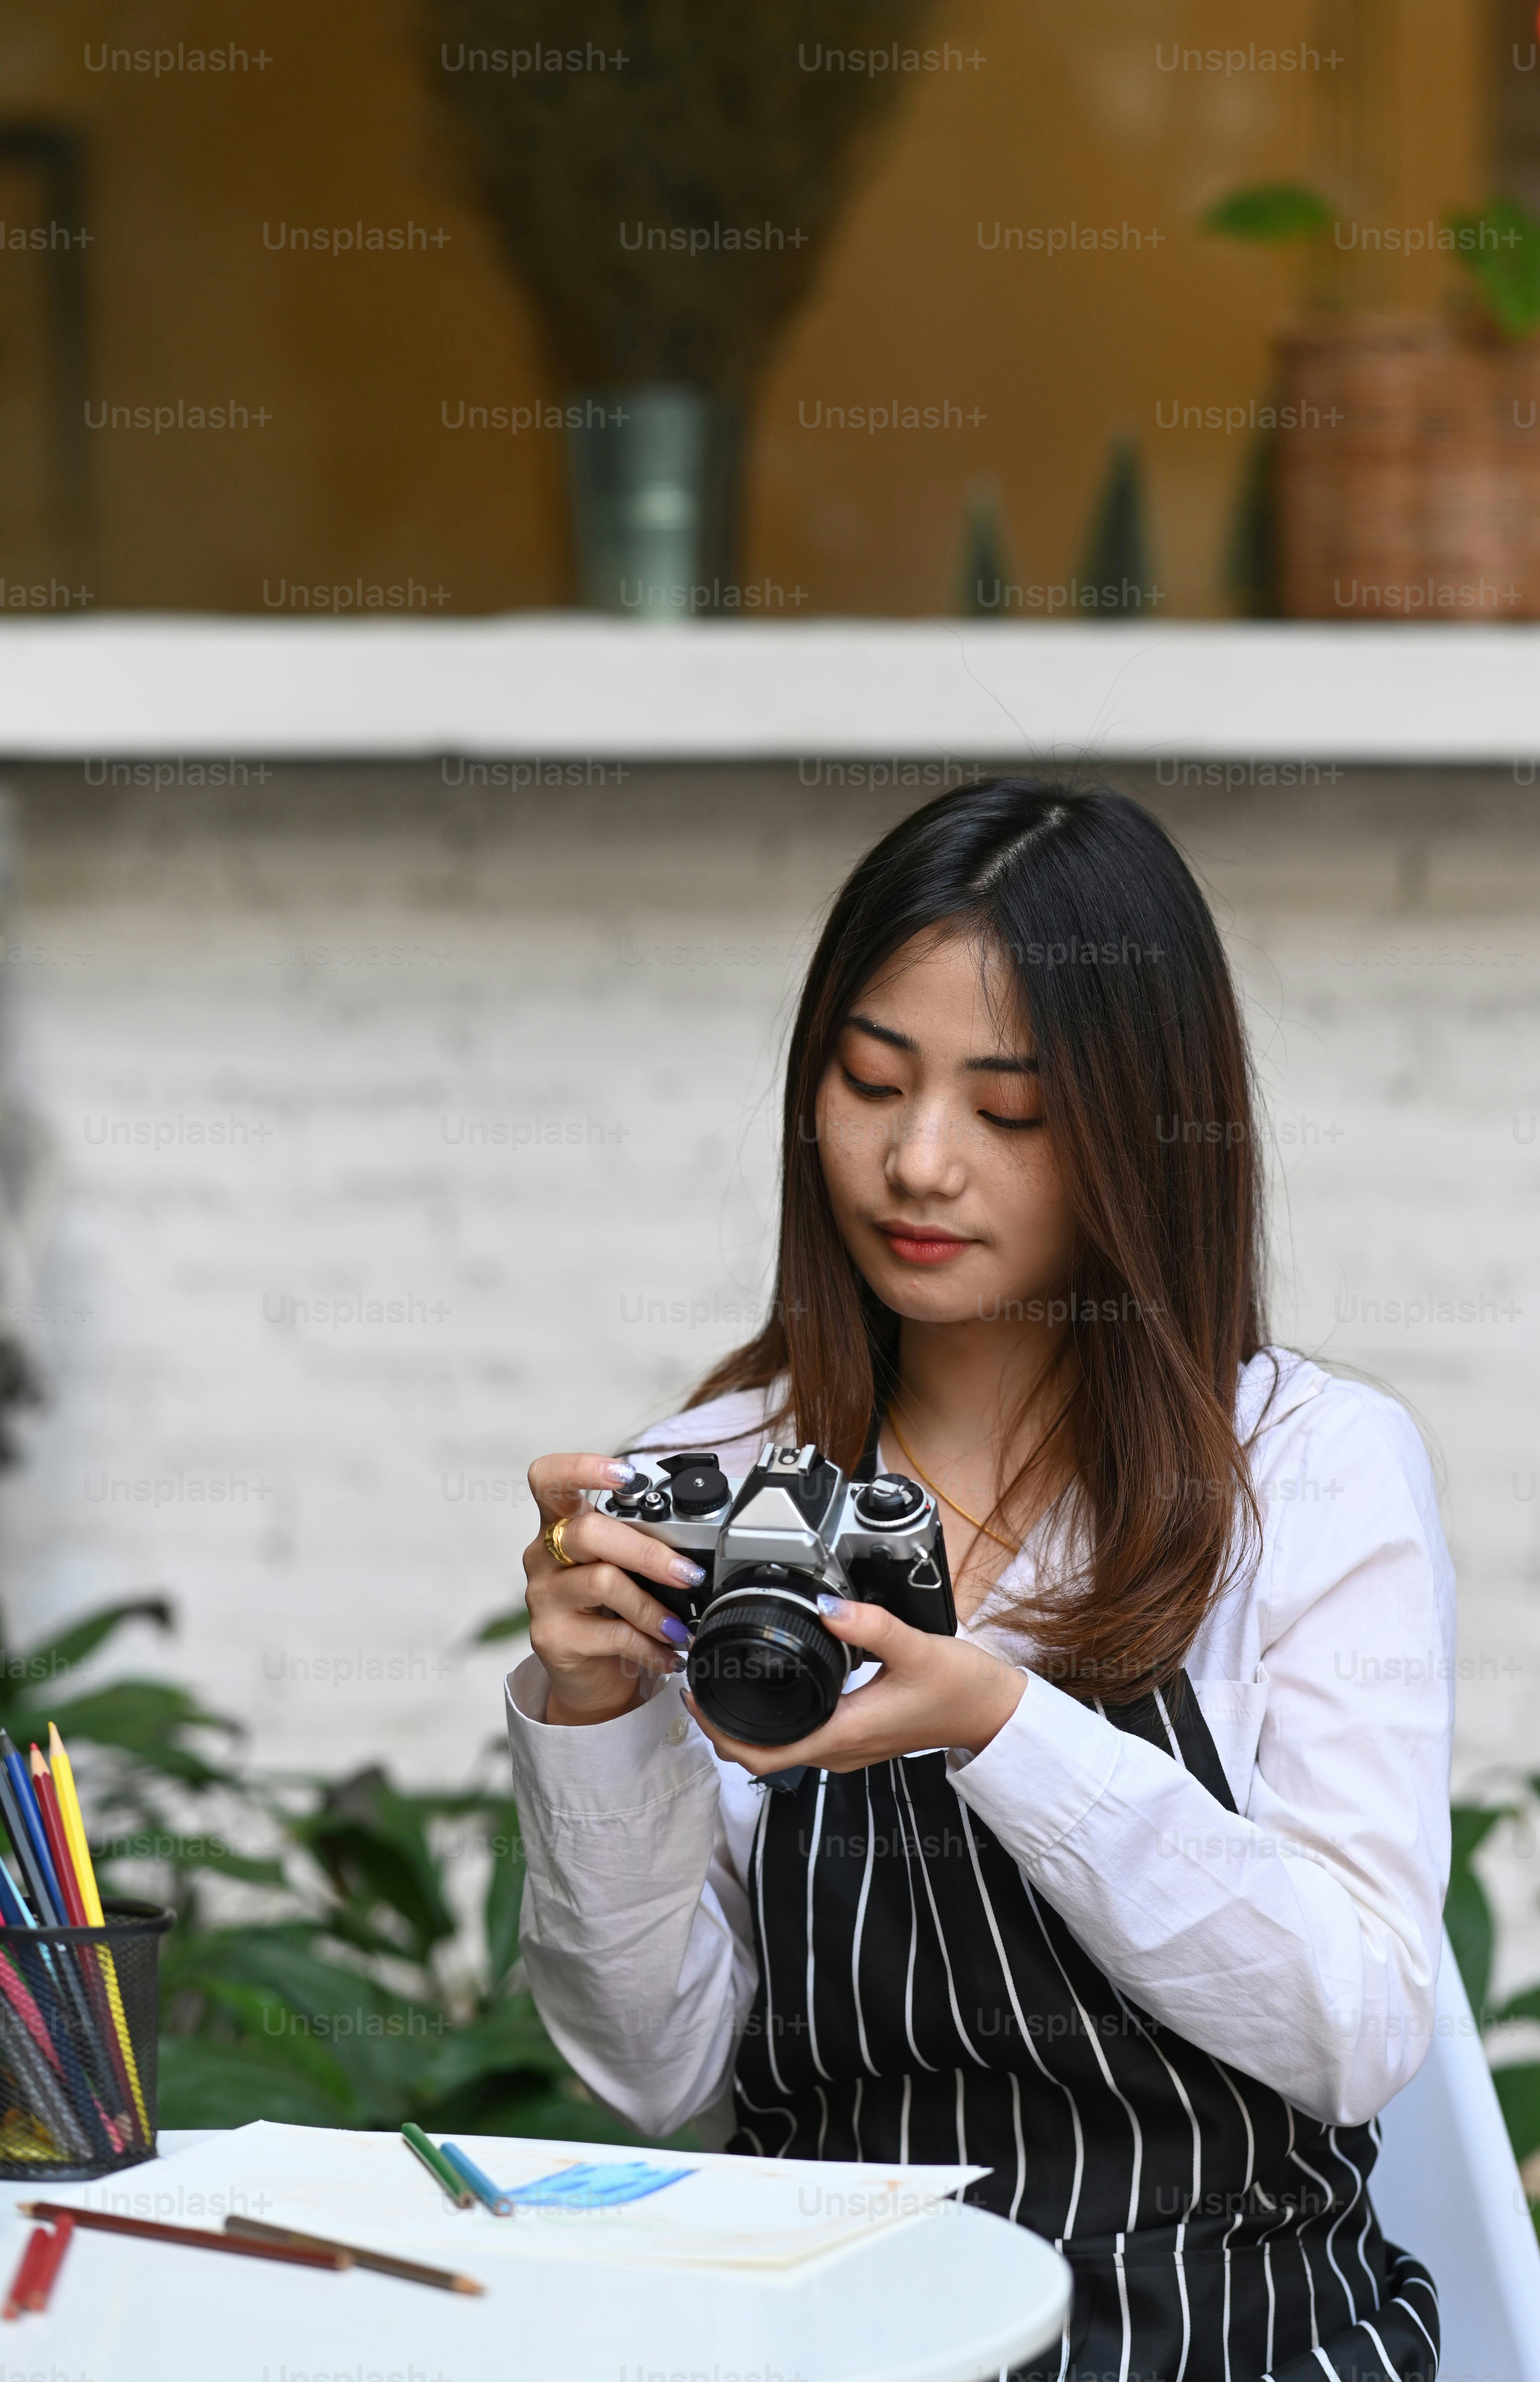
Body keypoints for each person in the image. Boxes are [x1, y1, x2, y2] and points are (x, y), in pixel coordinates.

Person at [508, 780, 1452, 2382]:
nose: (918, 1162)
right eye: (871, 1083)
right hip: (845, 2337)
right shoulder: (723, 1470)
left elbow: (1354, 2024)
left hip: (1232, 2335)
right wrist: (594, 1718)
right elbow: (658, 2074)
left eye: (1009, 1112)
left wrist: (1004, 1727)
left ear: (1147, 1132)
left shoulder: (1306, 1466)